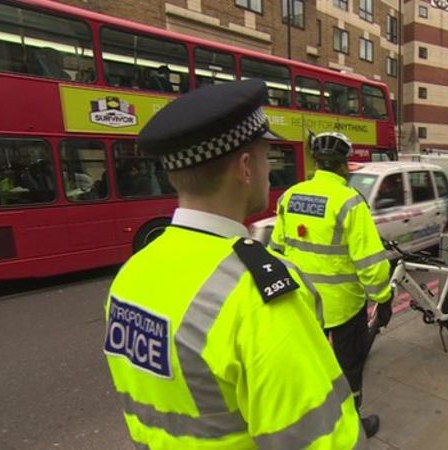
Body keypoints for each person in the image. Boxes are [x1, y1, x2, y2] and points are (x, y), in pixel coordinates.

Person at [102, 79, 365, 449]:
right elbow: (322, 440)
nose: (269, 172)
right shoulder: (260, 298)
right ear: (245, 167)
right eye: (266, 158)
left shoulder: (131, 275)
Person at [270, 132, 392, 438]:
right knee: (349, 369)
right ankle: (352, 426)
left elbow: (276, 251)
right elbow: (371, 264)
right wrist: (384, 297)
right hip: (342, 307)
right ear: (343, 166)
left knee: (309, 365)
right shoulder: (350, 202)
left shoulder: (290, 196)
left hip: (300, 304)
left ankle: (308, 422)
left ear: (316, 162)